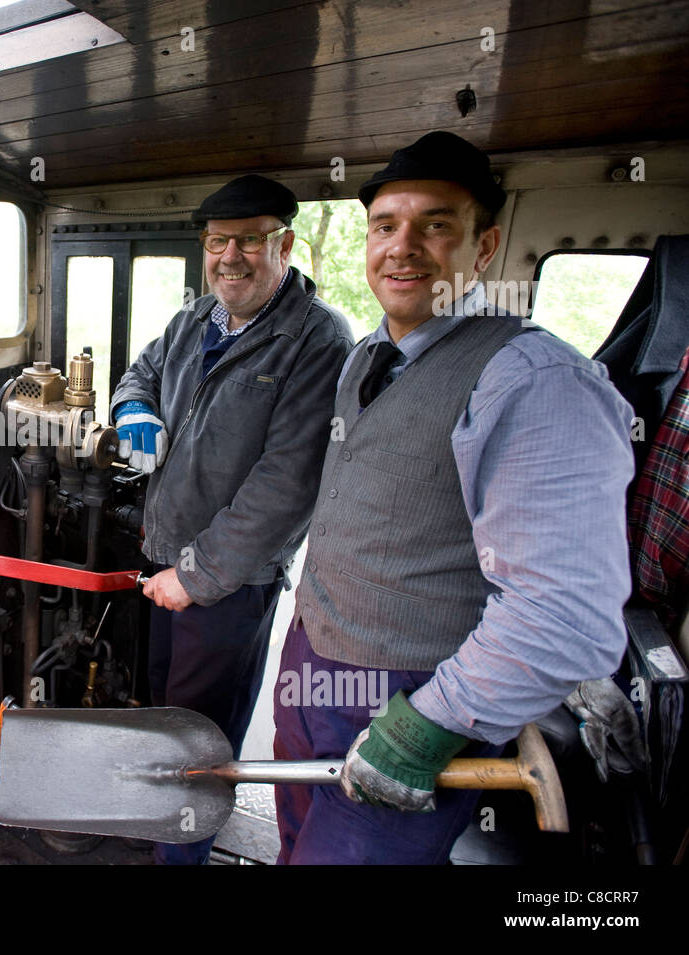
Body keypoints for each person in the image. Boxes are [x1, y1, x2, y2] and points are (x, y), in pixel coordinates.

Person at [273, 131, 635, 864]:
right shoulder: (366, 359)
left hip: (411, 699)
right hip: (311, 668)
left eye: (435, 224)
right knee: (295, 847)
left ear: (485, 246)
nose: (402, 246)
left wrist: (426, 727)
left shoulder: (534, 382)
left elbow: (565, 614)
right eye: (385, 224)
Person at [111, 174, 354, 864]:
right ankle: (166, 820)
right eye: (219, 241)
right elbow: (141, 372)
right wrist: (134, 407)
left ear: (286, 244)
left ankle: (182, 852)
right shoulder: (195, 319)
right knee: (167, 709)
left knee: (203, 728)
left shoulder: (317, 339)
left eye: (251, 240)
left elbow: (286, 484)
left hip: (228, 579)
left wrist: (198, 574)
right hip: (163, 553)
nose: (231, 257)